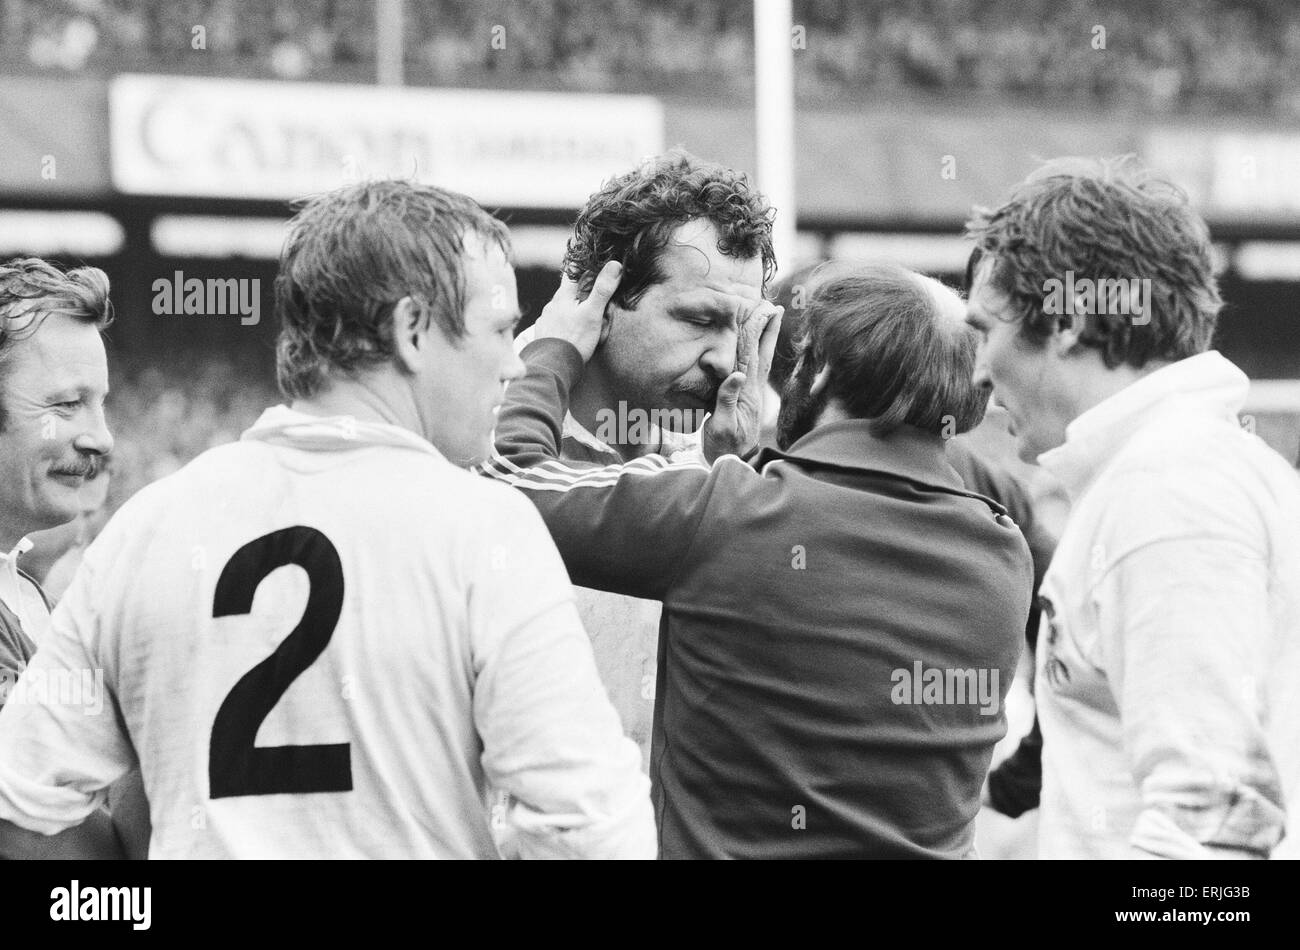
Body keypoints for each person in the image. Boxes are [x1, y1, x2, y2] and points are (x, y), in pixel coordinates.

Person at [0, 180, 654, 859]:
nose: (514, 362)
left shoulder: (150, 525)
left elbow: (20, 806)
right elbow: (594, 833)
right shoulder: (486, 530)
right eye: (500, 329)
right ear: (412, 330)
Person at [484, 260, 1033, 858]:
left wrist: (554, 348)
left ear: (820, 372)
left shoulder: (729, 514)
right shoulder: (1003, 552)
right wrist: (734, 462)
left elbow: (513, 482)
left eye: (797, 359)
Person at [965, 155, 1300, 859]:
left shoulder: (1169, 492)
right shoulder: (1165, 475)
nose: (977, 370)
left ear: (1065, 322)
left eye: (984, 329)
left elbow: (1213, 831)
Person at [509, 149, 778, 767]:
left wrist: (735, 474)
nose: (722, 359)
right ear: (601, 295)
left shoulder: (720, 450)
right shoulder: (479, 424)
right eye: (699, 319)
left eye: (737, 329)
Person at [0, 257, 121, 859]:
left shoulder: (23, 589)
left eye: (100, 403)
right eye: (67, 405)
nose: (102, 437)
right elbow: (58, 854)